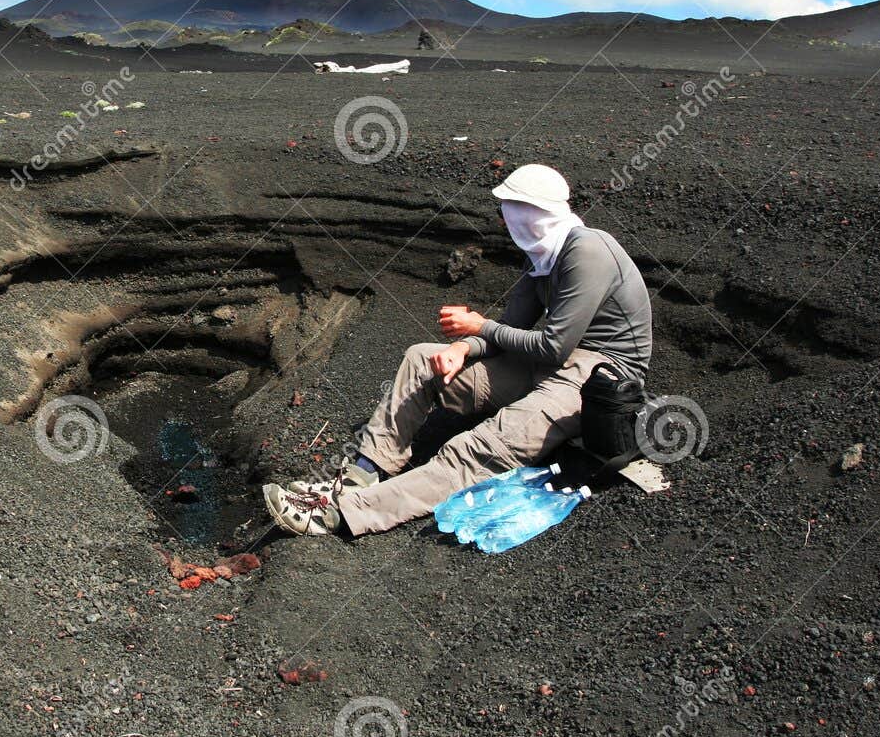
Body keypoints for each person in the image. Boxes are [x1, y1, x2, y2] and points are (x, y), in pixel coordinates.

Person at [264, 163, 652, 537]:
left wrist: (480, 326)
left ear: (534, 212)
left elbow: (552, 346)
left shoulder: (586, 252)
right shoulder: (542, 253)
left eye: (510, 209)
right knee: (422, 360)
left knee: (481, 446)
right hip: (550, 364)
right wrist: (464, 347)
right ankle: (361, 473)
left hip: (598, 377)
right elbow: (514, 324)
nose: (504, 218)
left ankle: (341, 514)